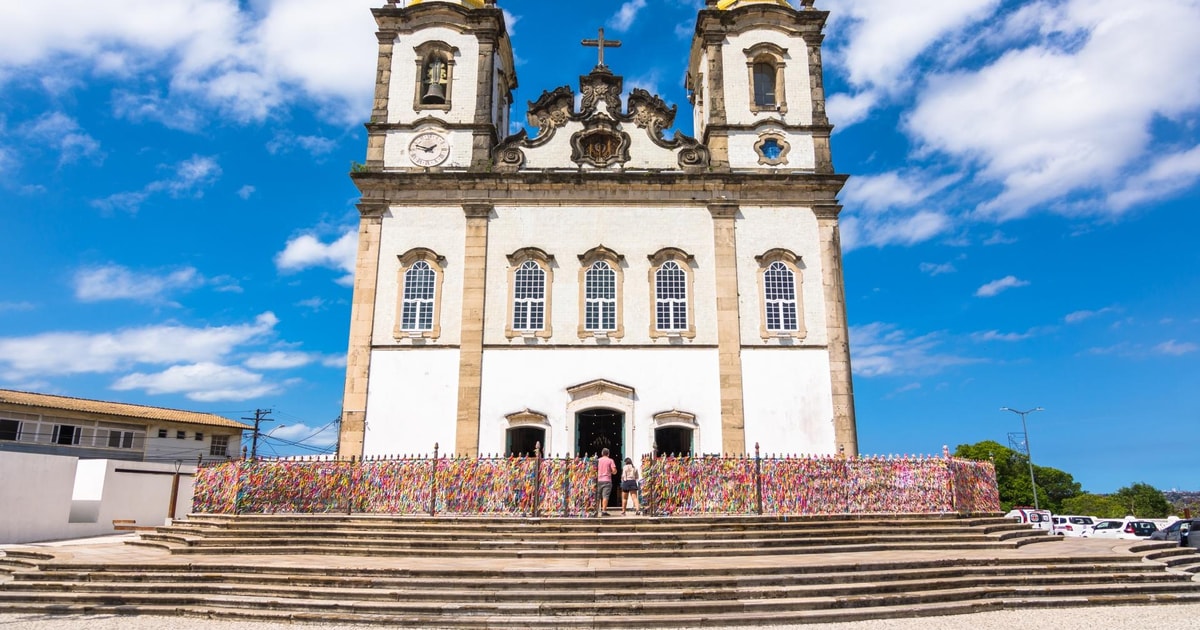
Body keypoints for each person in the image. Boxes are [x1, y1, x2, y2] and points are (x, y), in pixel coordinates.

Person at [596, 447, 617, 516]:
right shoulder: (610, 460)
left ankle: (596, 510)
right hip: (607, 480)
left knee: (597, 496)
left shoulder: (597, 460)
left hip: (598, 480)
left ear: (602, 453)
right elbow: (614, 471)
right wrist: (611, 472)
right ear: (608, 454)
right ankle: (604, 511)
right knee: (605, 496)